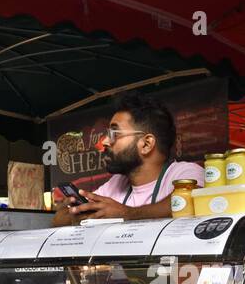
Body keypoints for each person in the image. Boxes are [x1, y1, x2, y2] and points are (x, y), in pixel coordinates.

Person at [53, 93, 206, 225]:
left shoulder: (185, 173)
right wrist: (76, 212)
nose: (105, 141)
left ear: (146, 144)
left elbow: (188, 201)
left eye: (114, 134)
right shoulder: (116, 184)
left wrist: (126, 214)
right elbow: (57, 221)